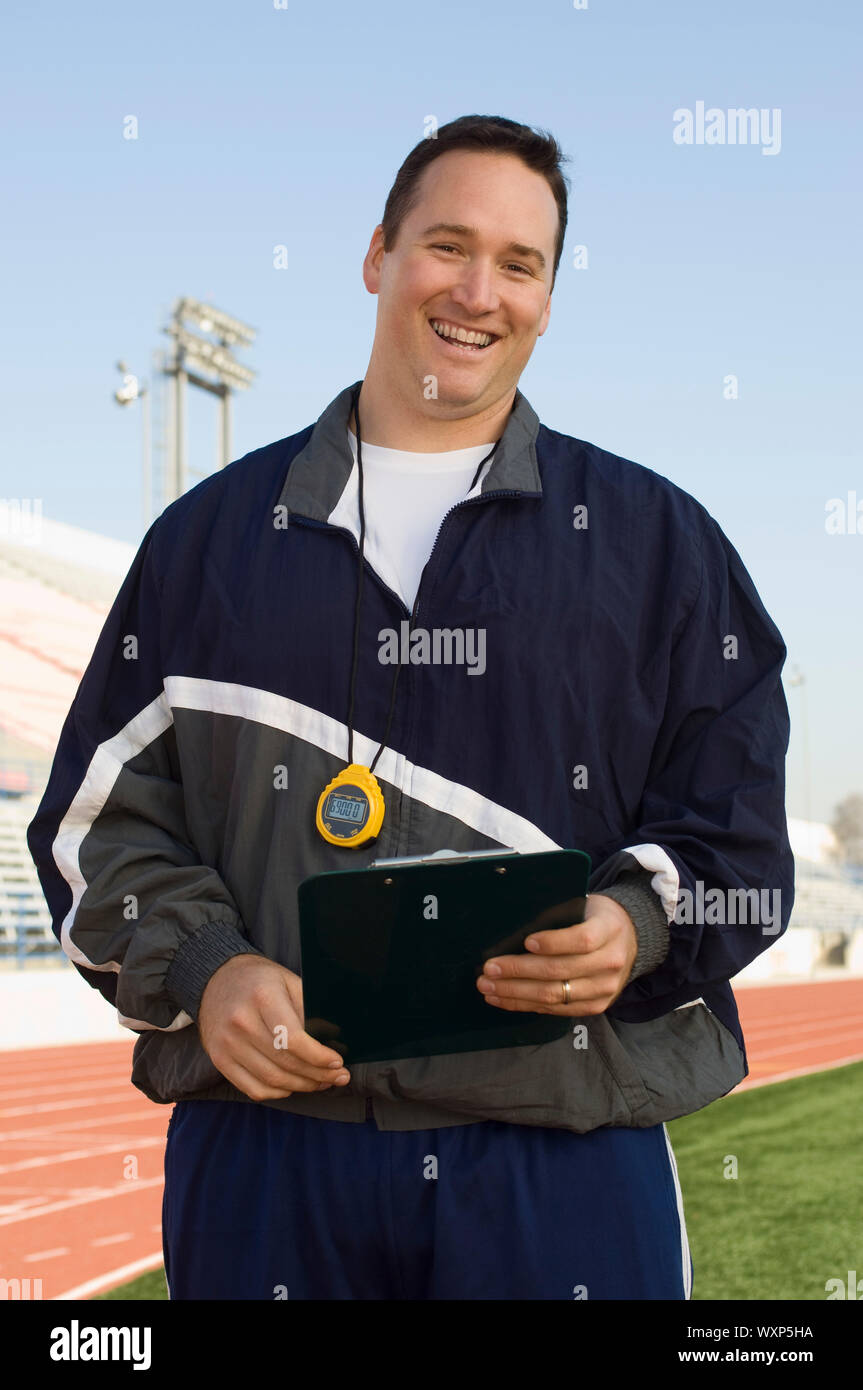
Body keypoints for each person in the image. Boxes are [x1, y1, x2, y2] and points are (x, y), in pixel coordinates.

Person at [27, 114, 794, 1301]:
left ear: (546, 296)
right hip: (270, 1150)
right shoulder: (206, 542)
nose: (477, 291)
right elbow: (93, 831)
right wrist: (208, 966)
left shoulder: (659, 547)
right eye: (447, 245)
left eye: (518, 263)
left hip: (559, 1152)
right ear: (377, 252)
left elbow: (736, 839)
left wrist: (633, 927)